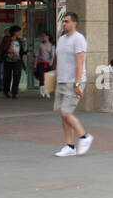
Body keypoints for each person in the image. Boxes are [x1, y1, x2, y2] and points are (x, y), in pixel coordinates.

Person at [52, 12, 92, 157]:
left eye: (67, 21)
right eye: (63, 21)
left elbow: (80, 62)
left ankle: (84, 136)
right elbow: (60, 61)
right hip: (61, 81)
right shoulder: (61, 39)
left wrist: (77, 83)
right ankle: (70, 146)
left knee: (66, 113)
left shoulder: (79, 39)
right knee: (63, 115)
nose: (64, 24)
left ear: (74, 23)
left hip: (73, 81)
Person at [0, 25, 25, 98]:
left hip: (17, 60)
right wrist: (7, 52)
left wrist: (25, 52)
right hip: (8, 60)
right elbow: (3, 48)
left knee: (17, 76)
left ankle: (14, 92)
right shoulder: (7, 39)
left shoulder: (19, 40)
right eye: (18, 31)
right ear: (14, 32)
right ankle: (6, 91)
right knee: (7, 76)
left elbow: (21, 50)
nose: (19, 33)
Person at [34, 31, 55, 98]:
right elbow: (37, 55)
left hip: (48, 63)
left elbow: (53, 55)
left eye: (44, 36)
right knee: (41, 77)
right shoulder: (40, 45)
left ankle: (47, 91)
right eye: (42, 36)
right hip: (41, 63)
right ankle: (42, 91)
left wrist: (51, 62)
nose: (43, 37)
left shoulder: (52, 45)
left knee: (47, 78)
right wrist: (35, 64)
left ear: (48, 36)